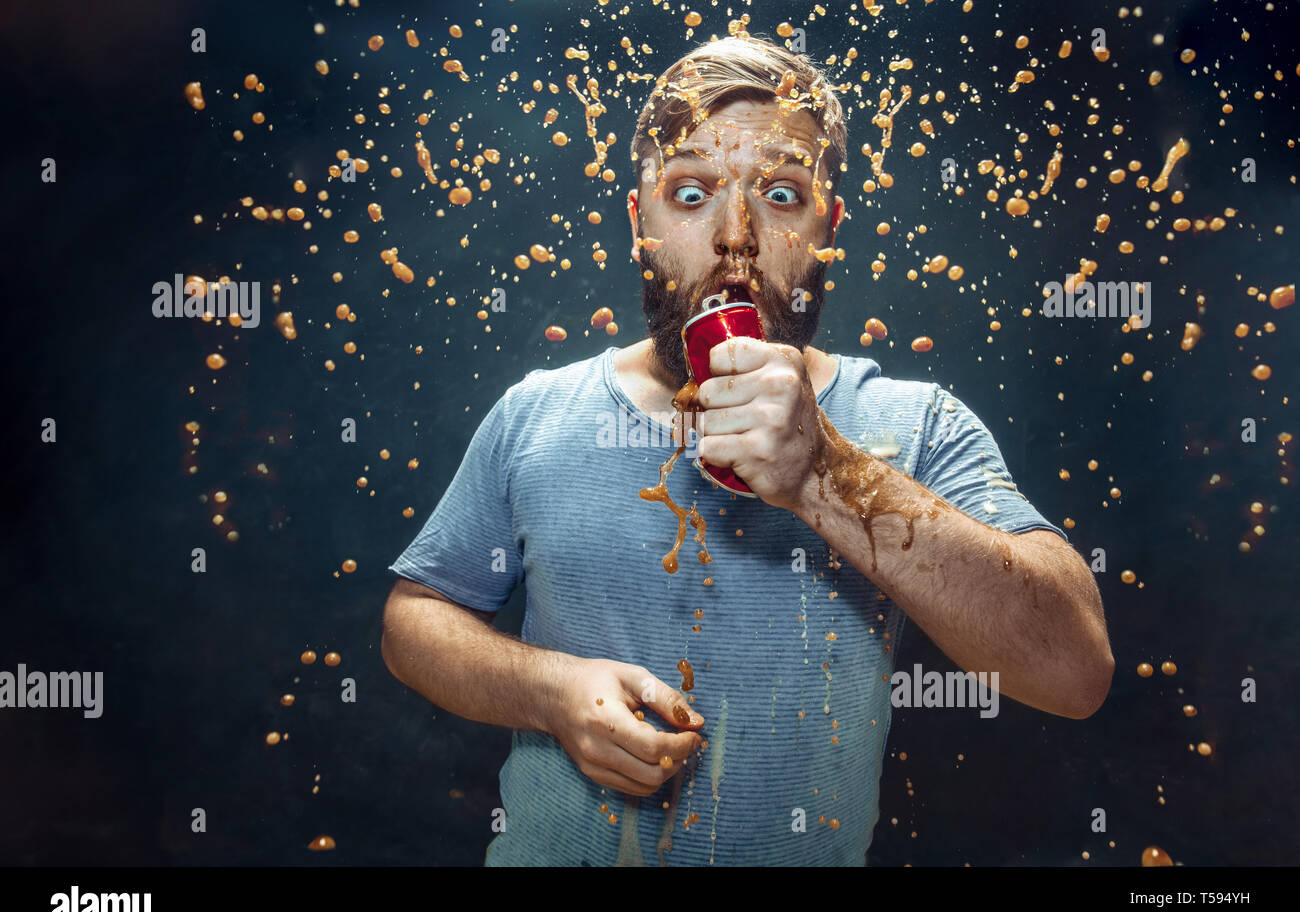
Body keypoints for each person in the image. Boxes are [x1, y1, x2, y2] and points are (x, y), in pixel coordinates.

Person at [382, 34, 1113, 866]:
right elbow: (413, 621)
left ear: (829, 226)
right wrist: (551, 693)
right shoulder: (535, 415)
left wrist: (824, 475)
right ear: (639, 224)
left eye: (780, 193)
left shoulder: (915, 425)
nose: (736, 238)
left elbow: (1075, 671)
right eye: (690, 193)